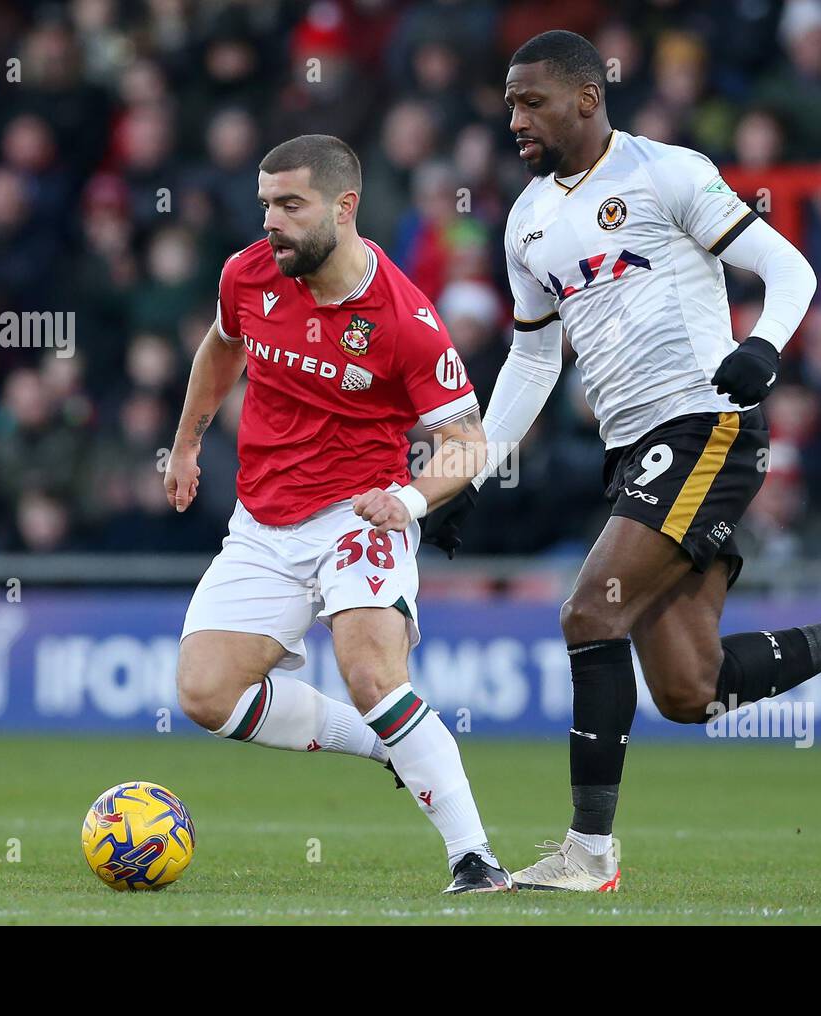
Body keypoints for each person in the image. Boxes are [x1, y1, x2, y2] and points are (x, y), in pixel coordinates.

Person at [425, 32, 821, 892]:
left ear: (587, 98)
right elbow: (534, 362)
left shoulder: (665, 171)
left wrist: (766, 347)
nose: (514, 118)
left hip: (706, 428)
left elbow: (790, 269)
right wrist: (473, 469)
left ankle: (589, 854)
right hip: (635, 452)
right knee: (689, 690)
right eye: (509, 102)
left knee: (590, 612)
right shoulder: (526, 220)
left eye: (531, 101)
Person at [165, 134, 511, 894]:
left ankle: (475, 859)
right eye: (265, 204)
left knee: (370, 671)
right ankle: (389, 745)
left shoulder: (404, 317)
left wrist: (411, 499)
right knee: (204, 693)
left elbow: (467, 441)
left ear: (344, 207)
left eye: (290, 205)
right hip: (261, 521)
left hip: (360, 513)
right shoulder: (248, 275)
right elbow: (221, 351)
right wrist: (186, 445)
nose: (271, 222)